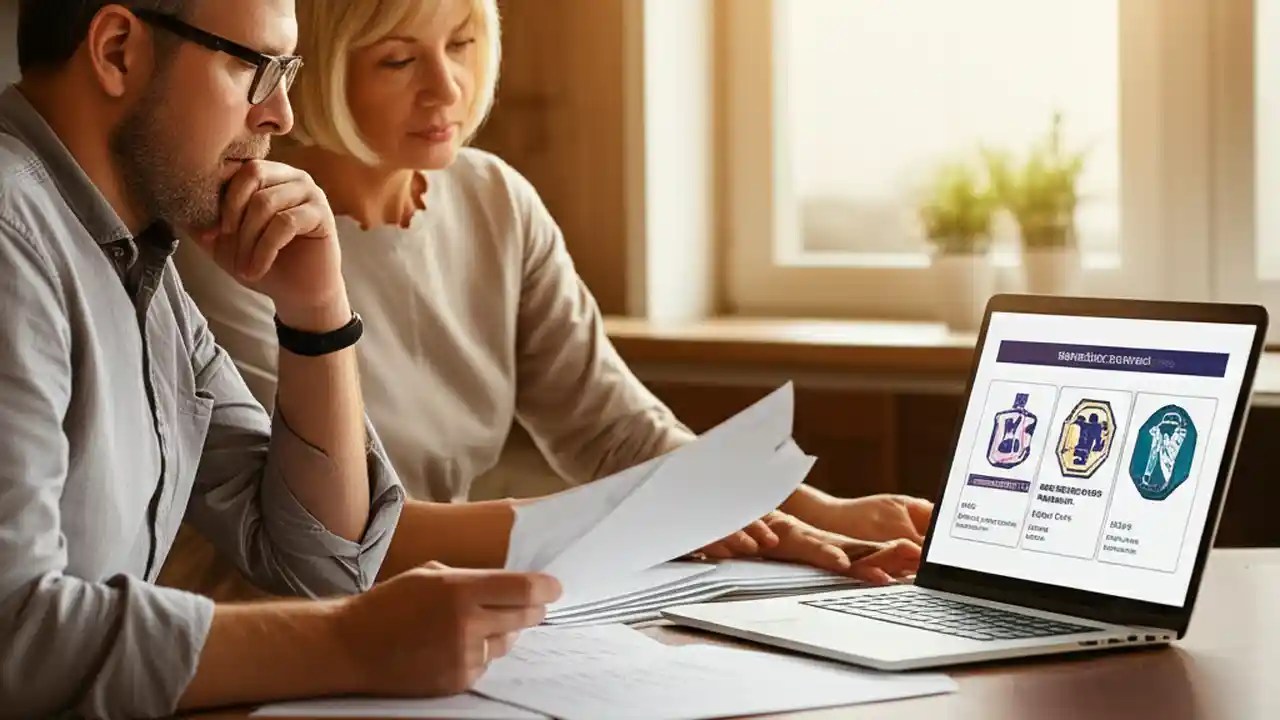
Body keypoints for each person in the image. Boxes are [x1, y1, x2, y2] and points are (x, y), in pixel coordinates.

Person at [171, 0, 934, 588]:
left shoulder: (495, 200)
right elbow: (323, 534)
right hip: (269, 617)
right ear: (321, 71)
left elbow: (613, 428)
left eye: (463, 43)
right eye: (399, 60)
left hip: (446, 601)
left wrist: (804, 509)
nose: (447, 88)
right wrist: (634, 517)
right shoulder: (244, 237)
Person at [0, 0, 564, 716]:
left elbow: (323, 562)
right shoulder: (12, 238)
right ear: (116, 51)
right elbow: (12, 633)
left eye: (287, 72)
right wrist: (352, 644)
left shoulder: (131, 257)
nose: (281, 116)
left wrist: (316, 313)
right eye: (254, 67)